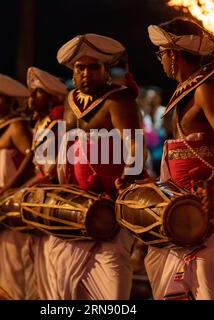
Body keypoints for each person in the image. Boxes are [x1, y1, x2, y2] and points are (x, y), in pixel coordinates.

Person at [145, 17, 214, 300]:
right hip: (176, 206)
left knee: (202, 272)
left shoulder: (205, 89)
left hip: (205, 207)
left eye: (162, 53)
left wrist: (213, 183)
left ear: (175, 54)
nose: (160, 59)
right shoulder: (184, 91)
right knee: (159, 268)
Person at [47, 33, 147, 300]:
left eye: (93, 67)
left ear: (106, 70)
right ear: (73, 71)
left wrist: (128, 177)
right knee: (69, 285)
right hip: (76, 207)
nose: (86, 74)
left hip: (111, 206)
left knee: (113, 282)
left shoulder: (119, 99)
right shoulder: (70, 101)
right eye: (80, 68)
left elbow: (136, 145)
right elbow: (65, 146)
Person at [0, 71, 37, 299]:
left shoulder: (17, 127)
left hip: (13, 207)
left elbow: (30, 160)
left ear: (12, 101)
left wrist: (6, 192)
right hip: (1, 206)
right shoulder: (0, 130)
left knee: (16, 272)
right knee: (4, 275)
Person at [25, 66, 67, 299]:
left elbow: (51, 172)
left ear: (52, 97)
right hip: (38, 198)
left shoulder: (55, 126)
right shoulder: (41, 125)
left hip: (50, 199)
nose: (31, 99)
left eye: (37, 93)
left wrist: (25, 189)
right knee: (39, 272)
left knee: (52, 275)